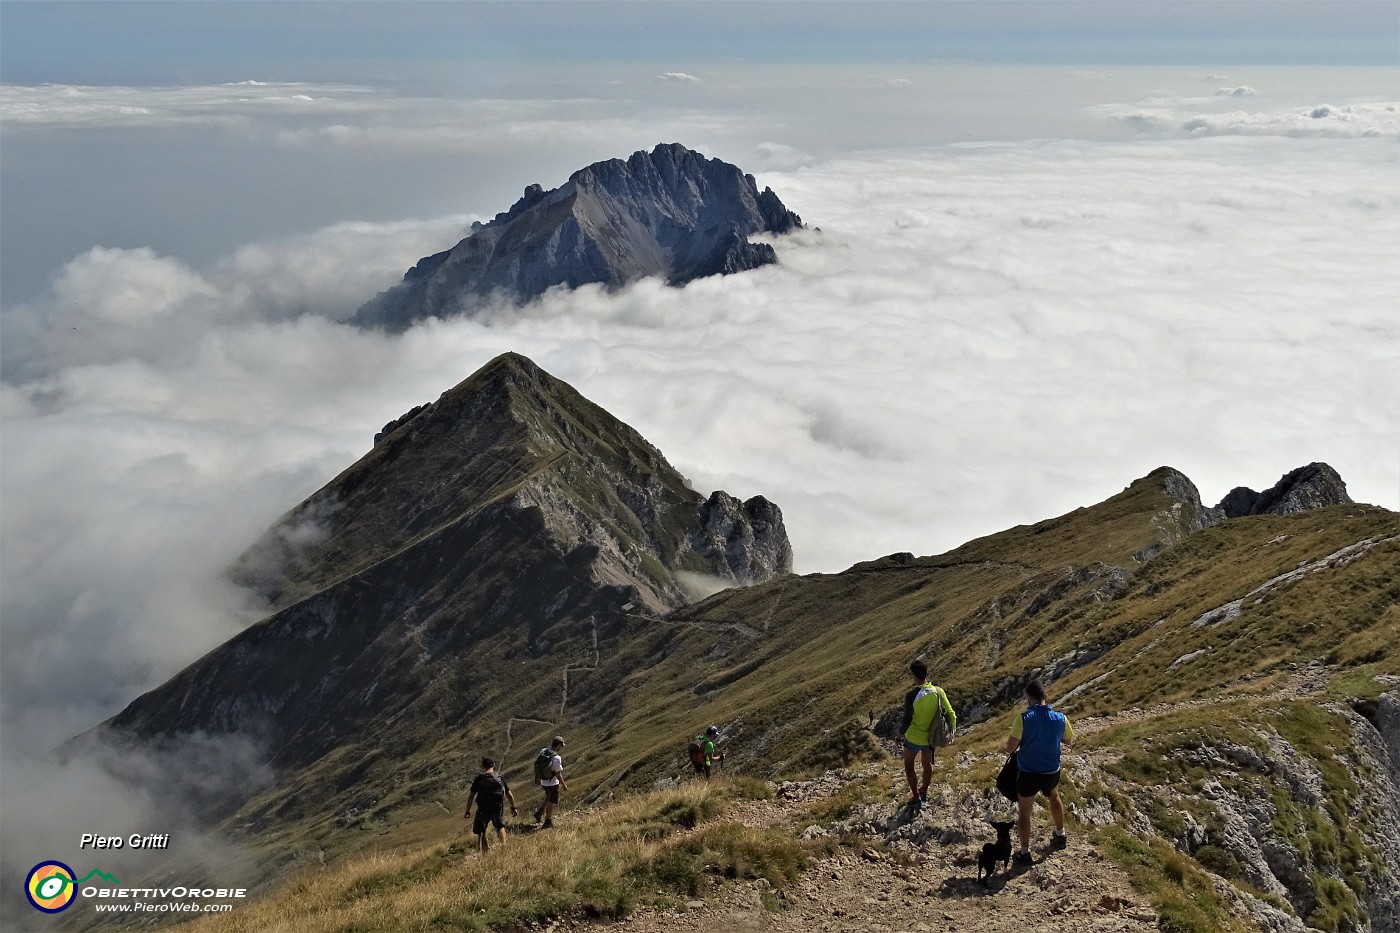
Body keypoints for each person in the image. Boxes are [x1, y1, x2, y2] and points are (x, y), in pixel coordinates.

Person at [1005, 679, 1074, 865]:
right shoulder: (1061, 718)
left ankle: (1025, 852)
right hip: (1051, 770)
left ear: (1028, 697)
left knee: (1025, 811)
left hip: (1028, 771)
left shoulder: (1022, 718)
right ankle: (1060, 834)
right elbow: (1068, 741)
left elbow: (1010, 748)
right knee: (1054, 797)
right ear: (1046, 696)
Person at [898, 659, 957, 810]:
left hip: (913, 737)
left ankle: (916, 797)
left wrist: (899, 735)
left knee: (909, 766)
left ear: (913, 675)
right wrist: (952, 732)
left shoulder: (912, 695)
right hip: (930, 738)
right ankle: (923, 791)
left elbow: (907, 719)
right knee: (927, 764)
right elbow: (951, 713)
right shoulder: (938, 692)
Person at [464, 757, 517, 853]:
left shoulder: (479, 778)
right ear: (494, 765)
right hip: (497, 806)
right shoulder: (499, 778)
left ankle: (484, 852)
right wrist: (513, 807)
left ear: (483, 766)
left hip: (483, 807)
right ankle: (504, 848)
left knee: (481, 830)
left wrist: (467, 811)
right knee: (500, 826)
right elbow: (509, 794)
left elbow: (471, 796)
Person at [533, 736, 567, 828]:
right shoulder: (556, 758)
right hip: (552, 783)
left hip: (544, 781)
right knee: (552, 802)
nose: (561, 748)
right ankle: (548, 821)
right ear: (558, 745)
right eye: (561, 746)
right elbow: (558, 774)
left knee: (548, 796)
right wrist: (564, 785)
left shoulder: (543, 751)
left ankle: (539, 813)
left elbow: (538, 765)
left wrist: (537, 778)